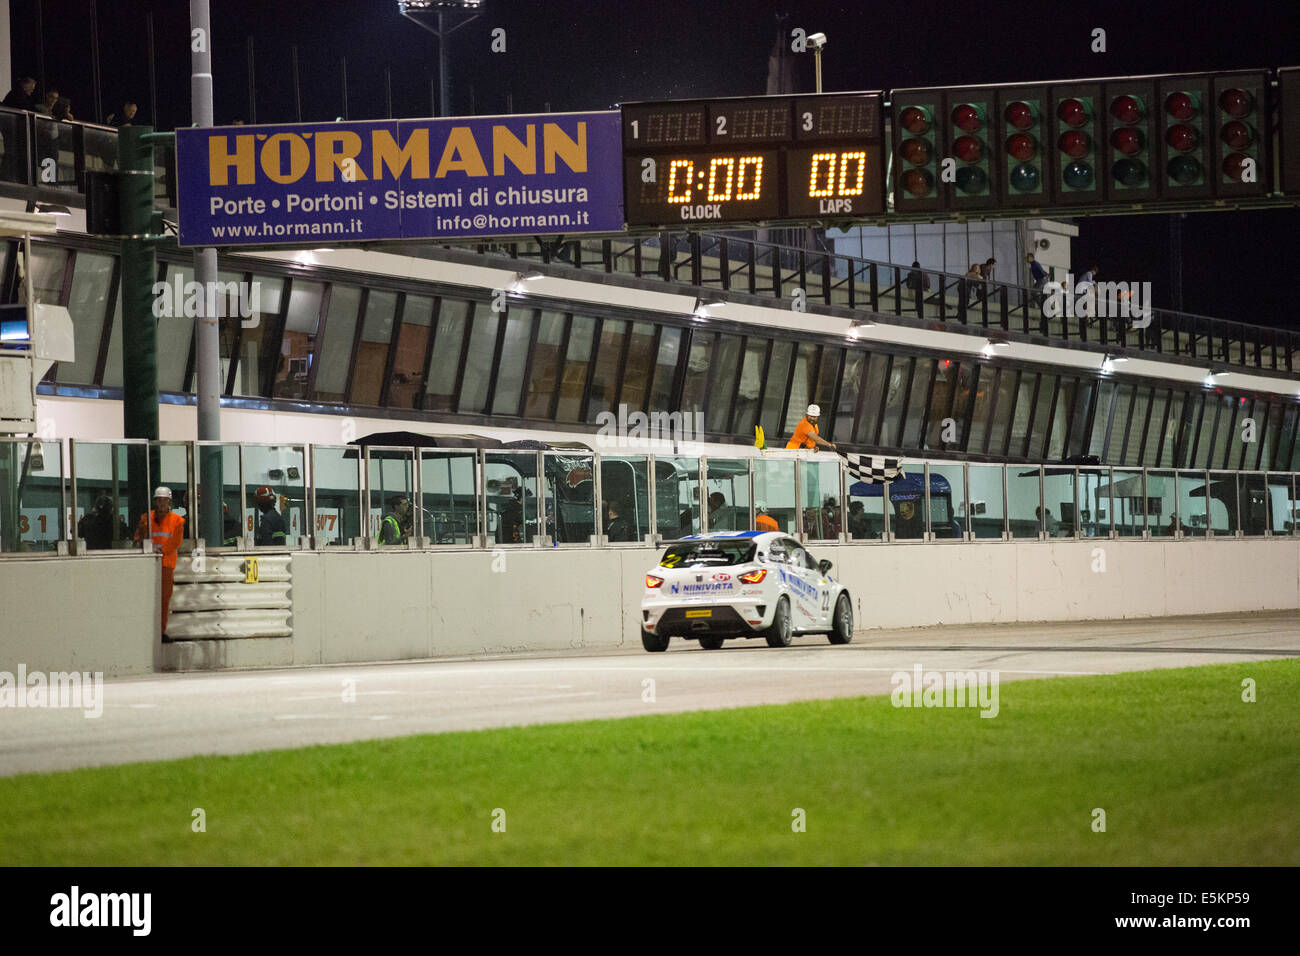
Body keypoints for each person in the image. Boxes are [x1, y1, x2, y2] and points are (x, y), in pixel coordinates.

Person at [133, 486, 185, 638]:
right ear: (155, 502)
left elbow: (176, 542)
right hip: (148, 564)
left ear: (170, 502)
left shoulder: (177, 521)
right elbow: (137, 539)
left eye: (164, 500)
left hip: (165, 565)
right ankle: (146, 630)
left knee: (163, 600)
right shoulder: (146, 519)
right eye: (159, 500)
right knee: (146, 598)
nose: (162, 504)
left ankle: (160, 632)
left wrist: (160, 552)